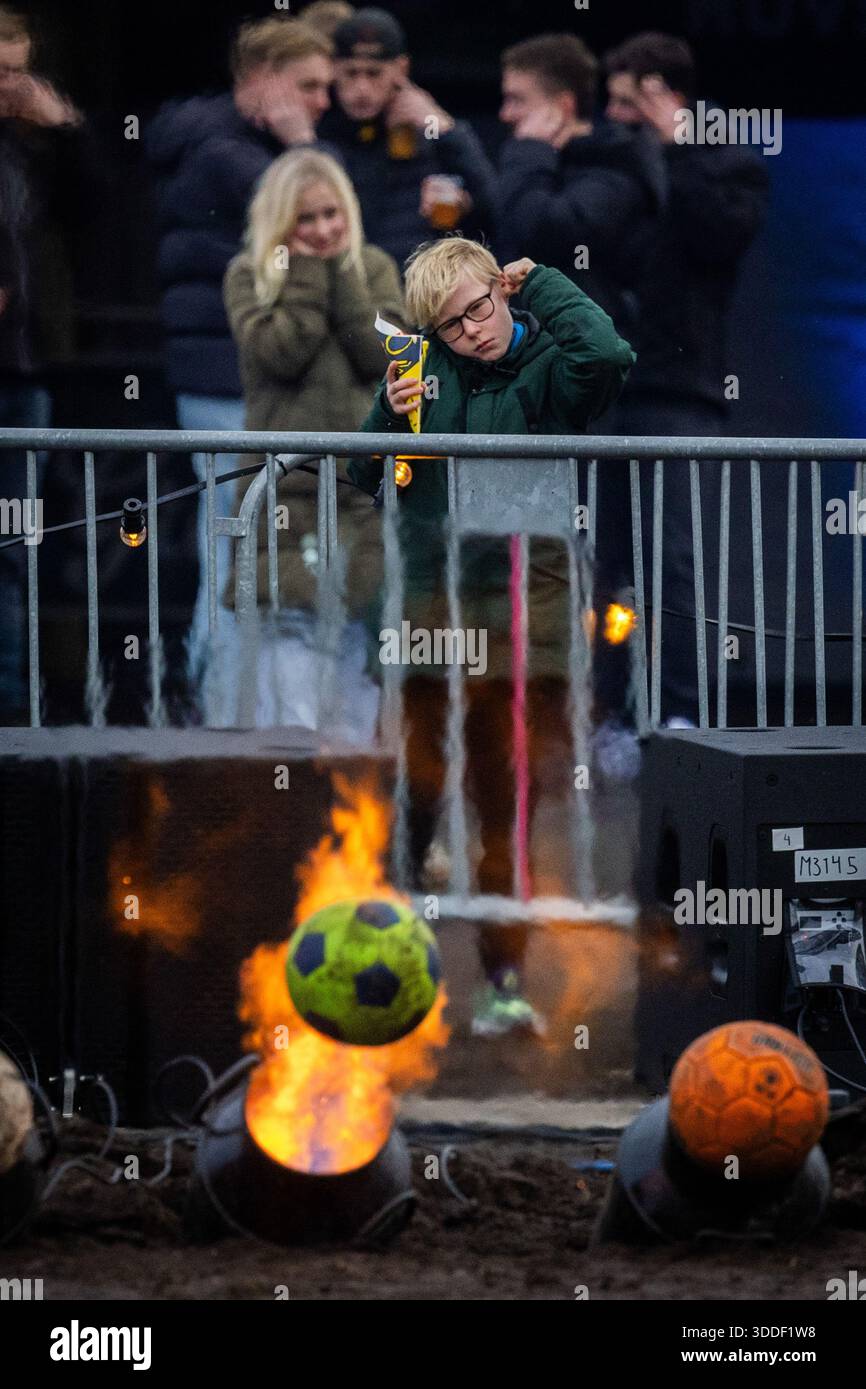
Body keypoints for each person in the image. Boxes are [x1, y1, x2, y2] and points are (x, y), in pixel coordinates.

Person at [348, 237, 634, 1036]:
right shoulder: (421, 378)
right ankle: (383, 984)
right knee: (412, 807)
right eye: (452, 323)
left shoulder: (551, 370)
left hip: (520, 633)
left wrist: (542, 280)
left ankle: (504, 986)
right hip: (428, 627)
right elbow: (365, 475)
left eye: (481, 306)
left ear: (503, 295)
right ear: (433, 333)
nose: (473, 328)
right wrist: (387, 414)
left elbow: (609, 353)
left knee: (505, 812)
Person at [145, 17, 335, 694]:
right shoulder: (228, 153)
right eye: (309, 86)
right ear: (264, 78)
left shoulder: (228, 143)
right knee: (239, 543)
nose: (323, 102)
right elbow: (327, 225)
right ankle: (226, 706)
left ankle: (231, 701)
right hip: (233, 378)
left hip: (232, 375)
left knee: (238, 539)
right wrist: (304, 145)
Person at [600, 31, 770, 731]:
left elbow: (719, 236)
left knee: (674, 564)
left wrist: (677, 147)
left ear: (661, 96)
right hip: (607, 388)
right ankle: (610, 710)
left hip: (682, 393)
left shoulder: (726, 162)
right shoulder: (609, 160)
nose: (613, 116)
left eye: (625, 102)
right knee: (606, 564)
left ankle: (679, 714)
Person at [216, 149, 405, 739]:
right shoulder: (248, 273)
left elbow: (384, 352)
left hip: (362, 488)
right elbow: (279, 352)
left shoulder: (372, 265)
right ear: (279, 223)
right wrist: (304, 278)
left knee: (354, 653)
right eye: (306, 220)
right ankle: (292, 808)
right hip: (283, 492)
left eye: (332, 215)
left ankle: (346, 819)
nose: (324, 230)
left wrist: (342, 277)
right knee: (290, 662)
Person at [0, 3, 89, 721]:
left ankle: (10, 706)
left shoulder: (33, 144)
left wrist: (66, 132)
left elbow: (103, 211)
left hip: (25, 368)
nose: (10, 87)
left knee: (15, 540)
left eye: (18, 72)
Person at [496, 32, 666, 341]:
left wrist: (529, 150)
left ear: (563, 106)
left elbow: (549, 230)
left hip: (584, 358)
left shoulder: (615, 164)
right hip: (526, 354)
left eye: (517, 100)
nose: (505, 113)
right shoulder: (535, 163)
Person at [319, 8, 497, 267]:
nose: (361, 88)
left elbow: (493, 208)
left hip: (420, 283)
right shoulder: (321, 123)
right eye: (351, 73)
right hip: (350, 278)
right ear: (334, 70)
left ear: (401, 69)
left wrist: (445, 130)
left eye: (373, 73)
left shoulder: (432, 130)